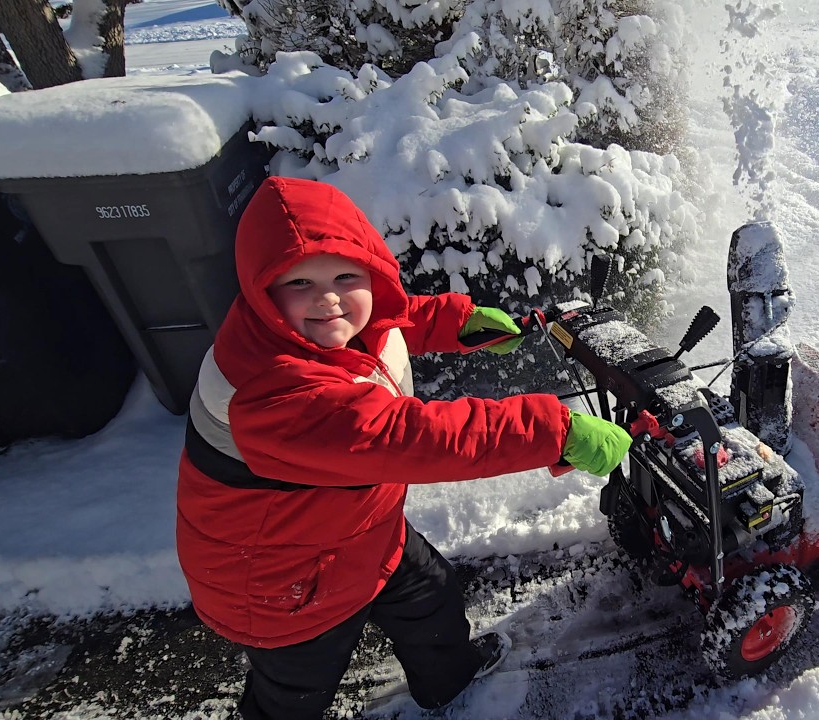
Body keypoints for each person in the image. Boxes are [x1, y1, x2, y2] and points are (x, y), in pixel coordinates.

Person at [175, 176, 631, 719]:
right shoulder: (275, 393)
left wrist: (454, 322)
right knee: (294, 691)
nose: (329, 299)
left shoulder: (317, 326)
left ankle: (449, 679)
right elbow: (415, 437)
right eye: (298, 283)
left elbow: (385, 317)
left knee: (430, 599)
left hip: (353, 527)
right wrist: (555, 432)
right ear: (261, 292)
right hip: (283, 580)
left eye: (347, 274)